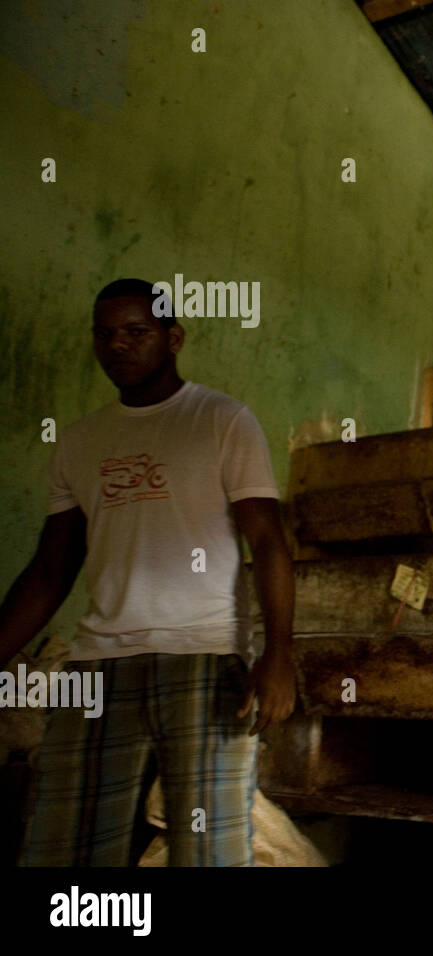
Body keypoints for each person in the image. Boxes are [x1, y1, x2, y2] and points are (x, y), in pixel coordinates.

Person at [1, 278, 297, 866]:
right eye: (106, 335)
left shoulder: (221, 420)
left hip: (204, 656)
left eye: (137, 332)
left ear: (173, 337)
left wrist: (279, 655)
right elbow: (52, 567)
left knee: (207, 848)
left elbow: (267, 541)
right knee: (65, 844)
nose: (119, 346)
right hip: (97, 665)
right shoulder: (78, 441)